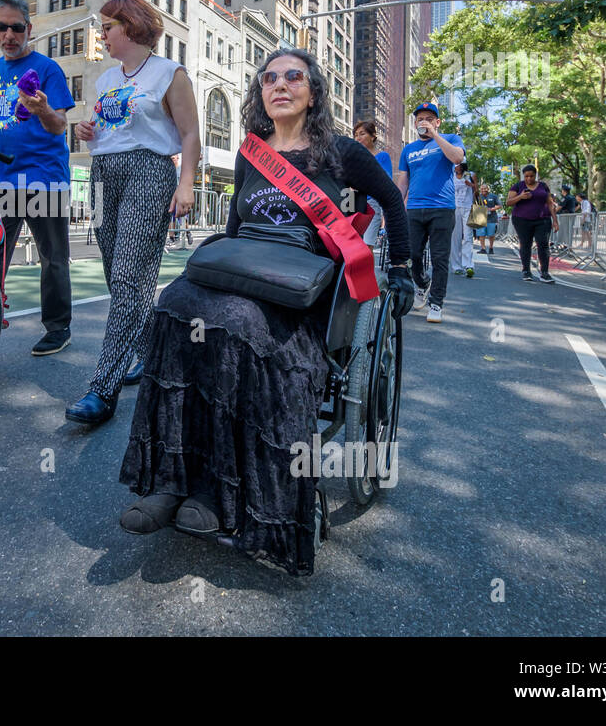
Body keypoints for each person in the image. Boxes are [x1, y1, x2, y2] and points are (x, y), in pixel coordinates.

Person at [117, 48, 414, 576]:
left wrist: (404, 268)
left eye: (293, 76)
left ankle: (218, 494)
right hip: (245, 266)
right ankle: (171, 480)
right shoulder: (251, 152)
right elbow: (235, 224)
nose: (279, 85)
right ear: (260, 93)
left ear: (313, 92)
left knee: (238, 324)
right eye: (269, 78)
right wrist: (214, 271)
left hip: (302, 286)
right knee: (173, 307)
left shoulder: (341, 151)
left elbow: (391, 199)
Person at [68, 0, 200, 424]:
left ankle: (102, 388)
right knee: (119, 276)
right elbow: (107, 130)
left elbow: (190, 133)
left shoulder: (169, 73)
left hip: (149, 171)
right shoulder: (107, 79)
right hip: (103, 173)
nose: (102, 36)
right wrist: (88, 131)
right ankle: (152, 353)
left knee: (128, 278)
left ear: (130, 26)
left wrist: (185, 184)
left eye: (107, 27)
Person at [0, 0, 75, 356]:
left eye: (16, 27)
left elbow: (59, 125)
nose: (9, 35)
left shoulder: (47, 69)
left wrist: (42, 110)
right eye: (2, 27)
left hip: (44, 179)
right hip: (0, 179)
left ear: (28, 28)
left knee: (52, 258)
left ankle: (57, 328)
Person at [396, 102, 465, 324]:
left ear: (437, 122)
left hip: (442, 208)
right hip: (414, 208)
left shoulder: (450, 139)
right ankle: (422, 284)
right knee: (412, 254)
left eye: (428, 118)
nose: (423, 122)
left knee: (439, 258)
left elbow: (457, 158)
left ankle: (436, 303)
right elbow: (403, 180)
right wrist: (395, 206)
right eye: (419, 119)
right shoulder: (409, 150)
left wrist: (435, 135)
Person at [506, 164, 560, 283]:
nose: (529, 178)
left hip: (543, 219)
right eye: (526, 176)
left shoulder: (543, 186)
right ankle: (526, 271)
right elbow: (508, 202)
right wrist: (521, 196)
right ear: (523, 176)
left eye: (531, 176)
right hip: (521, 219)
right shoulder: (518, 186)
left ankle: (544, 273)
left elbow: (550, 203)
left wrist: (555, 220)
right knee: (526, 244)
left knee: (543, 244)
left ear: (536, 175)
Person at [353, 120, 394, 249]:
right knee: (354, 244)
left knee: (366, 244)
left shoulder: (382, 156)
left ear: (373, 136)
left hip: (372, 204)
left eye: (362, 134)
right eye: (356, 135)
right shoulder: (354, 158)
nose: (358, 138)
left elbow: (386, 180)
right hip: (353, 202)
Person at [450, 161, 477, 278]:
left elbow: (477, 191)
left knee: (468, 236)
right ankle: (456, 266)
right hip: (454, 208)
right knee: (455, 238)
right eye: (455, 165)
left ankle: (468, 265)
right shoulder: (451, 175)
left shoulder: (470, 174)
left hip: (468, 208)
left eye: (459, 164)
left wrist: (471, 185)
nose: (457, 167)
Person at [478, 182, 500, 255]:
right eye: (482, 189)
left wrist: (491, 209)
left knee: (491, 234)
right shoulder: (478, 196)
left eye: (485, 188)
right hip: (481, 218)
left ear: (488, 189)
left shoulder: (494, 196)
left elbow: (499, 205)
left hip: (491, 218)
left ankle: (491, 248)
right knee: (481, 234)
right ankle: (483, 248)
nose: (483, 190)